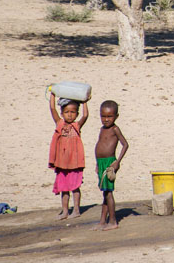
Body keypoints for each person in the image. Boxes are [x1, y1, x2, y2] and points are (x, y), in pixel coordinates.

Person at [48, 92, 90, 220]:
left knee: (75, 187)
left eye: (73, 112)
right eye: (67, 112)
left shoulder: (76, 126)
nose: (70, 114)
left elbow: (86, 115)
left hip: (74, 163)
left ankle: (76, 210)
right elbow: (52, 108)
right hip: (62, 163)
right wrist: (53, 95)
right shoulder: (60, 124)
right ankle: (65, 211)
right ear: (62, 113)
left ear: (76, 114)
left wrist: (85, 101)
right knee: (64, 188)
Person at [93, 100, 128, 231]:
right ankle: (102, 221)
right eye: (103, 116)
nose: (106, 119)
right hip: (101, 162)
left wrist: (117, 161)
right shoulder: (102, 129)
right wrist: (97, 164)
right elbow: (100, 145)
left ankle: (113, 221)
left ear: (116, 116)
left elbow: (125, 144)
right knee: (105, 192)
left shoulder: (115, 129)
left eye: (109, 116)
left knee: (108, 193)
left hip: (110, 163)